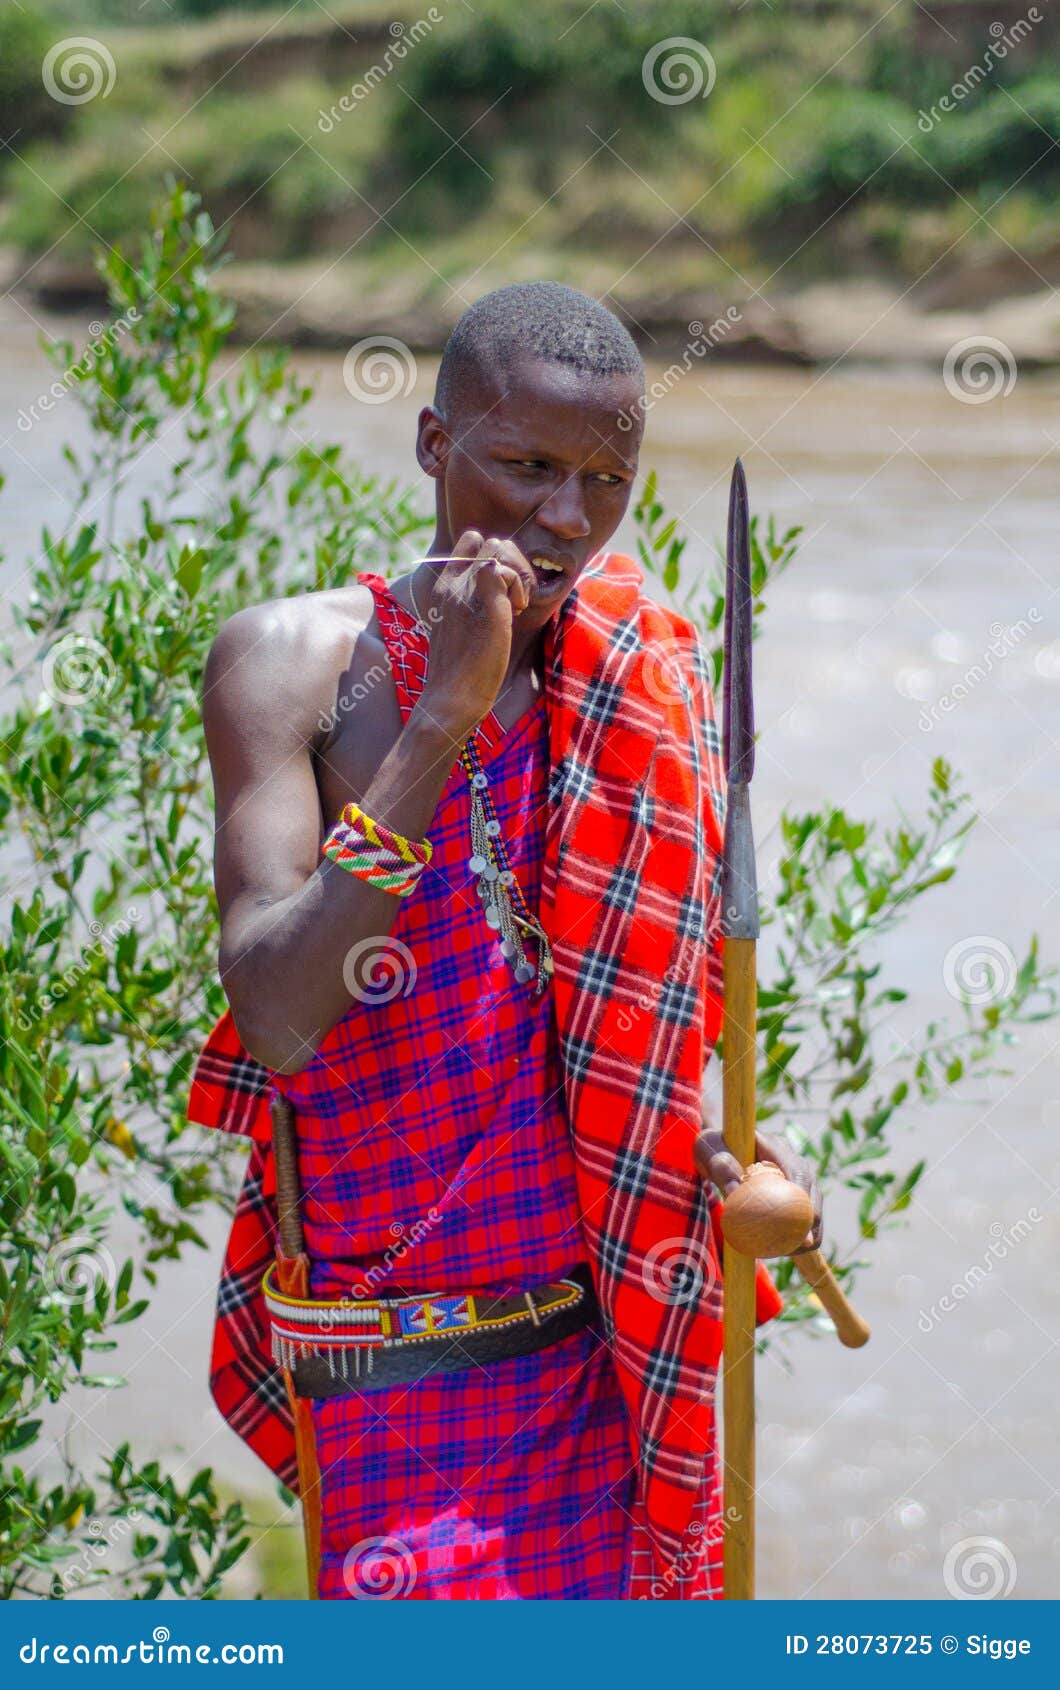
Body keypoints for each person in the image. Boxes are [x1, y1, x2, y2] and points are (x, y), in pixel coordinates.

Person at [187, 281, 822, 1600]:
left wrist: (730, 1156)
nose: (567, 518)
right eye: (526, 465)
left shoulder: (636, 671)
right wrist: (440, 723)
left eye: (606, 478)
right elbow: (278, 1015)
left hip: (602, 1376)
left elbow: (639, 1030)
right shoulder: (291, 665)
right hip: (389, 1386)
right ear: (433, 445)